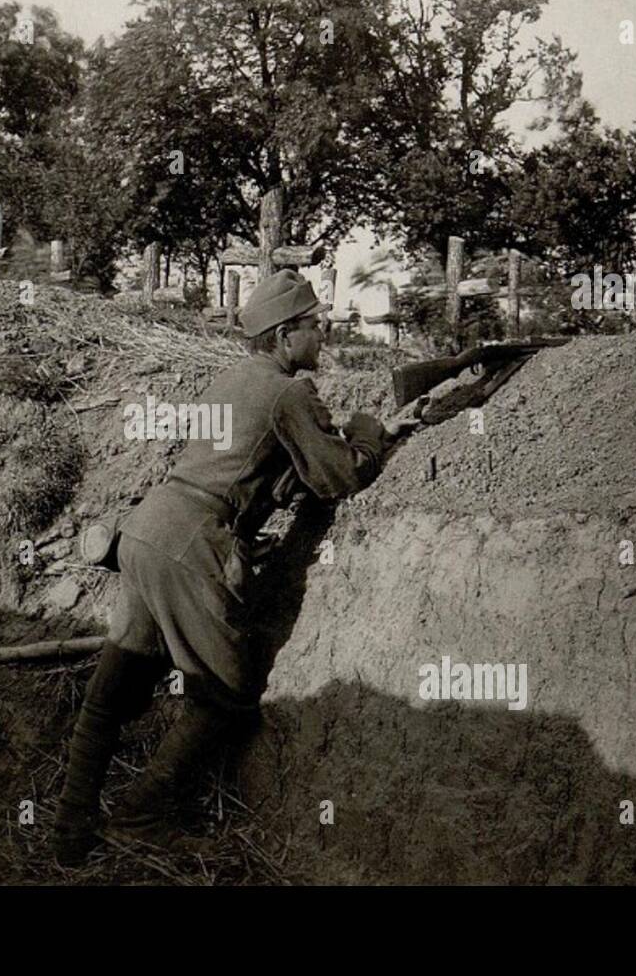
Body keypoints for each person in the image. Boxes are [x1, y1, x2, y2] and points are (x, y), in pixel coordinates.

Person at [52, 268, 409, 865]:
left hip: (145, 529)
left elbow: (260, 464)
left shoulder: (232, 379)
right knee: (223, 696)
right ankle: (139, 818)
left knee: (111, 690)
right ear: (283, 335)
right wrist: (371, 435)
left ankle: (68, 832)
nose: (322, 335)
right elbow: (338, 478)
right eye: (313, 326)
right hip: (192, 542)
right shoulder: (288, 392)